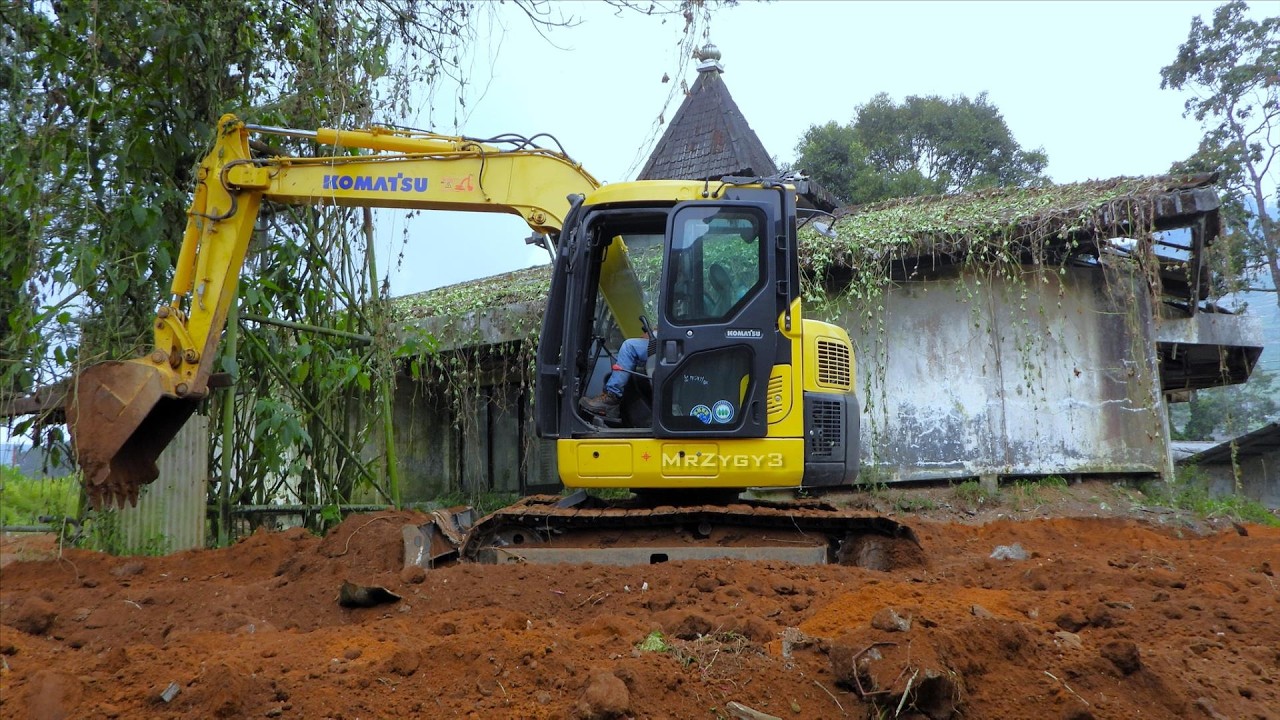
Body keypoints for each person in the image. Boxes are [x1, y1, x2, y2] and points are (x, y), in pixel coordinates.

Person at [579, 335, 650, 422]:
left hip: (667, 342)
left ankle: (612, 397)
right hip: (666, 342)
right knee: (625, 359)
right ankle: (613, 400)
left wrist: (654, 333)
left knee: (629, 347)